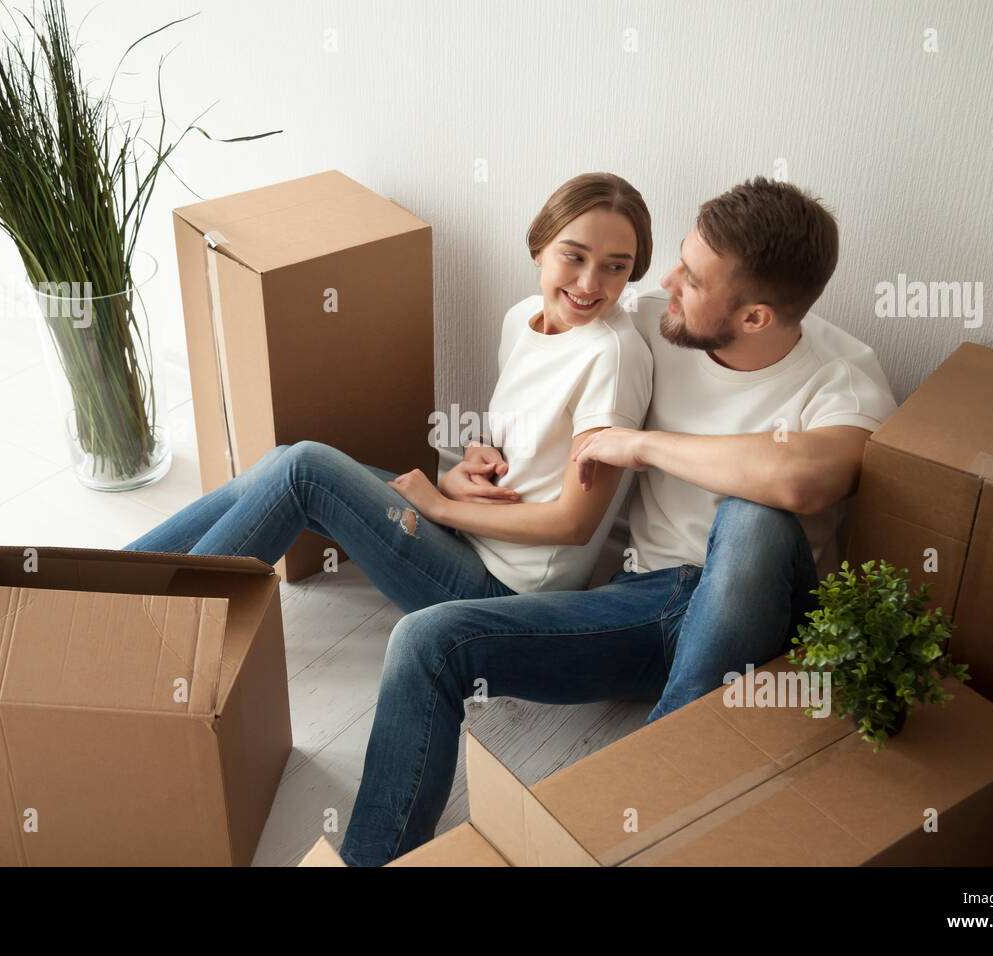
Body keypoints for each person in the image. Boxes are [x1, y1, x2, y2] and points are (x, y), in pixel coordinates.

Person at [338, 176, 899, 866]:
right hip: (645, 600)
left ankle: (650, 787)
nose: (664, 281)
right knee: (426, 639)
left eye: (691, 277)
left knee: (755, 516)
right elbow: (547, 340)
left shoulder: (843, 379)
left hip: (756, 615)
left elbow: (802, 479)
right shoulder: (656, 319)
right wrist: (473, 462)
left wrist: (641, 445)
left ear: (753, 317)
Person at [122, 172, 654, 615]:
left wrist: (441, 508)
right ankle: (106, 586)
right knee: (283, 462)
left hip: (506, 593)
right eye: (575, 256)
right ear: (540, 248)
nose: (590, 284)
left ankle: (159, 623)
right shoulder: (522, 319)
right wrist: (465, 467)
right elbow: (509, 452)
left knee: (305, 469)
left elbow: (575, 524)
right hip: (469, 540)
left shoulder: (613, 357)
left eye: (616, 266)